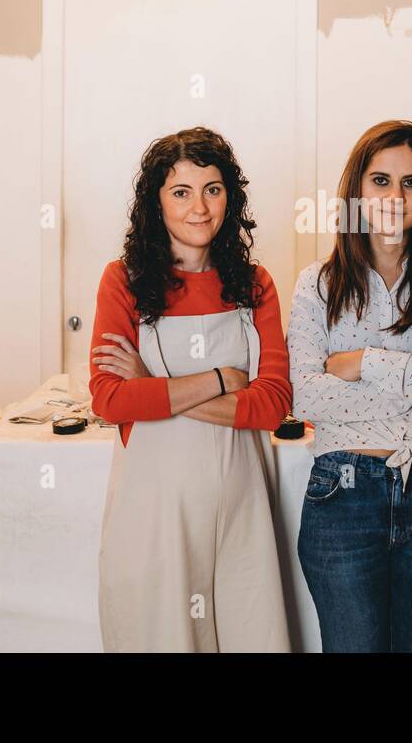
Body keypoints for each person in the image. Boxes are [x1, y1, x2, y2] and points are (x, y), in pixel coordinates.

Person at [288, 119, 412, 652]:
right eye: (380, 181)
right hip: (342, 492)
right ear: (356, 190)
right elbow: (306, 395)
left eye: (411, 182)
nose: (395, 197)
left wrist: (364, 362)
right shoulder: (317, 285)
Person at [89, 126, 292, 652]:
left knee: (252, 634)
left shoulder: (254, 285)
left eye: (213, 188)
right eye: (181, 192)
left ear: (231, 196)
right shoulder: (124, 282)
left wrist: (155, 389)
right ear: (155, 203)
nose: (199, 207)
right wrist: (221, 380)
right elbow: (109, 398)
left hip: (241, 508)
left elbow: (273, 405)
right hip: (154, 512)